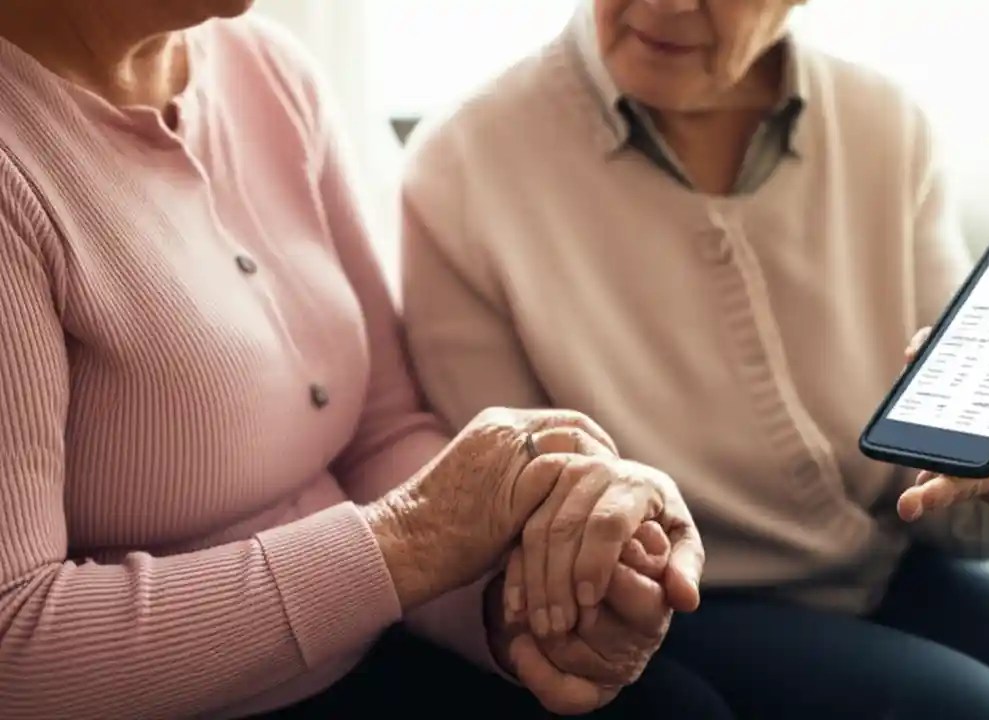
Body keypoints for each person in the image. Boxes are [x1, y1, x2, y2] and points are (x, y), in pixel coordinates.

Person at [399, 0, 989, 718]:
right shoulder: (464, 163)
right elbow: (521, 513)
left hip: (884, 568)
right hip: (680, 602)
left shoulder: (887, 126)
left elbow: (946, 494)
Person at [0, 2, 710, 718]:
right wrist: (410, 540)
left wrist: (526, 606)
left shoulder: (268, 67)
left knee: (675, 708)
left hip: (371, 653)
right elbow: (12, 646)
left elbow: (383, 431)